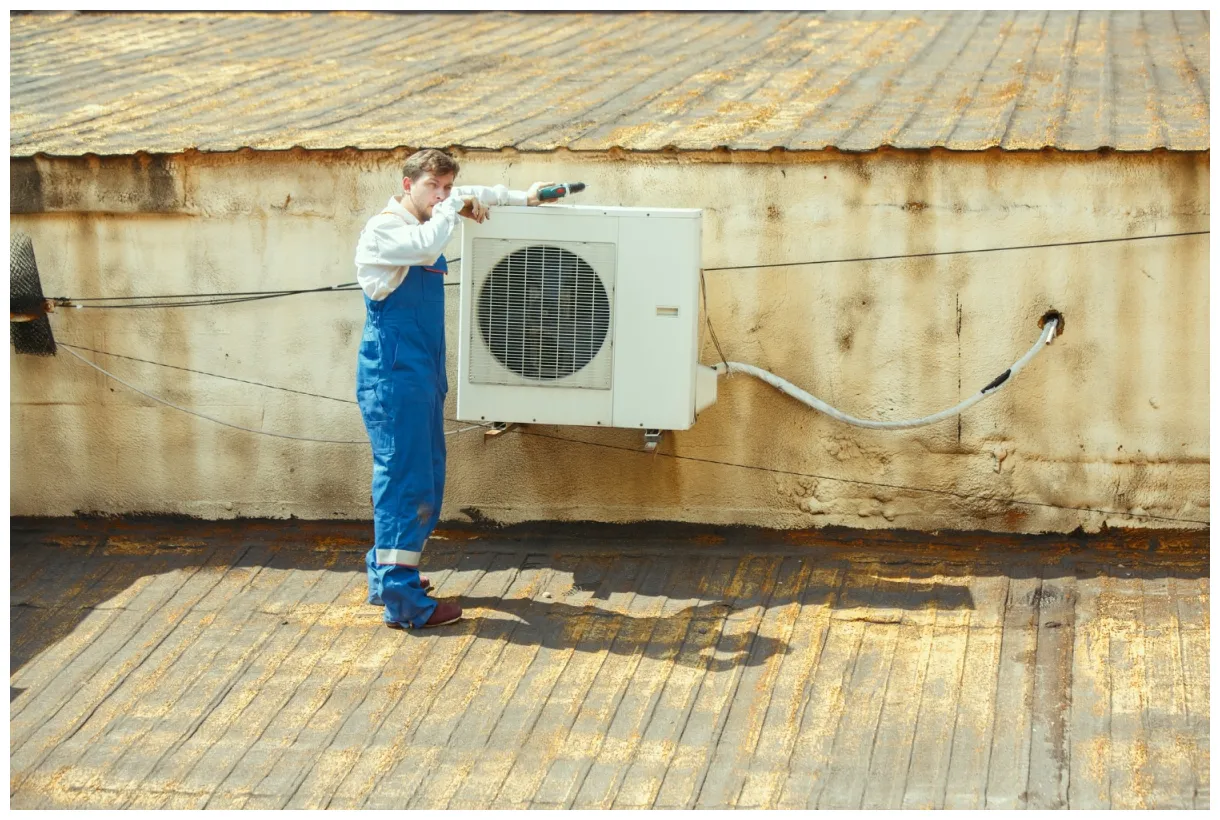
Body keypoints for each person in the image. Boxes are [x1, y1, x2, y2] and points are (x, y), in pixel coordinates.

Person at [354, 148, 551, 629]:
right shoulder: (387, 229)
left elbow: (472, 195)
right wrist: (452, 209)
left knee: (421, 472)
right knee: (406, 480)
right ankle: (405, 603)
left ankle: (387, 577)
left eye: (445, 187)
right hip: (395, 373)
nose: (441, 196)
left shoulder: (432, 213)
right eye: (431, 187)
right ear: (407, 185)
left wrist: (523, 198)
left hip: (419, 371)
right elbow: (426, 245)